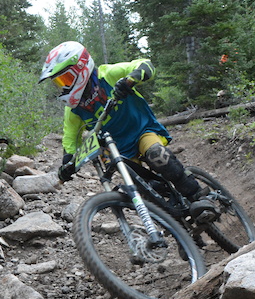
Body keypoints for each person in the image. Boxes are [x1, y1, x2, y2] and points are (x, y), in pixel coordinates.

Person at [38, 41, 217, 223]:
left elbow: (145, 65)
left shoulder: (108, 75)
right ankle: (180, 228)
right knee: (143, 189)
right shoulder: (73, 110)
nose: (63, 86)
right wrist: (68, 163)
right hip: (120, 152)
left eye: (66, 79)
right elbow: (70, 138)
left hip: (142, 131)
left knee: (157, 155)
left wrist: (130, 79)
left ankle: (200, 197)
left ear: (81, 67)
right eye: (59, 83)